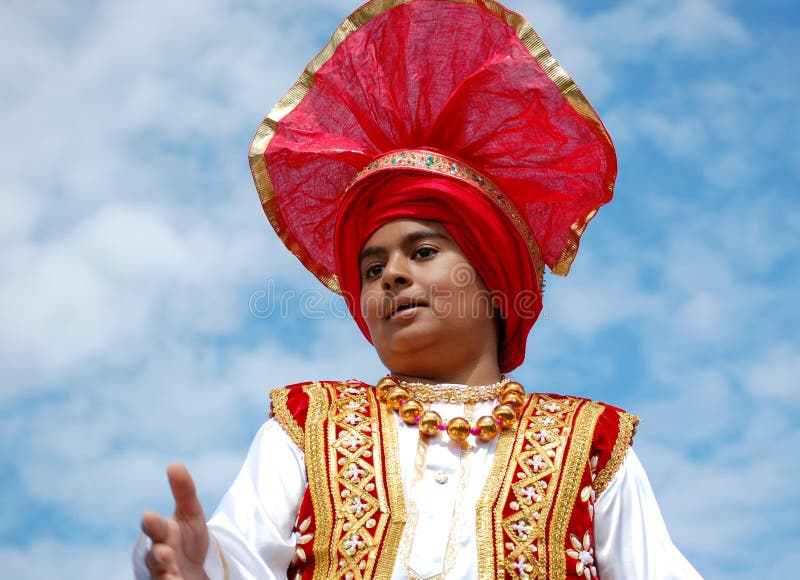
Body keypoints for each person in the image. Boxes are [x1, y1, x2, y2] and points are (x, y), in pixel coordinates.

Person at [135, 0, 702, 578]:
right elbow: (238, 556)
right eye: (372, 268)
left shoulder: (590, 446)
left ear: (492, 274)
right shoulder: (309, 427)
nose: (392, 276)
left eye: (423, 252)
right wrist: (198, 567)